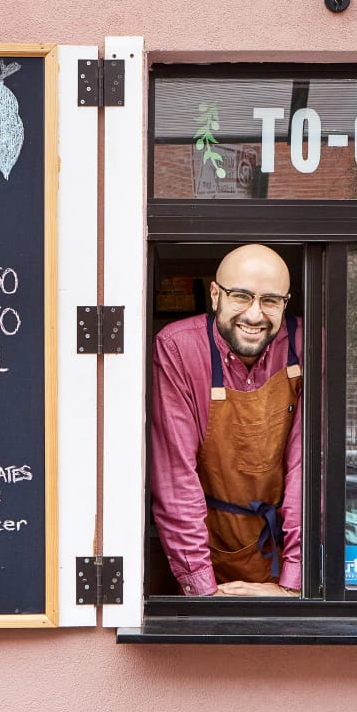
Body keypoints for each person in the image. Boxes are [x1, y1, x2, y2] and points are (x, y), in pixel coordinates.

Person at [149, 244, 301, 596]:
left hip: (283, 546)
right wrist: (203, 591)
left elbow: (306, 472)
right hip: (207, 546)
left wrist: (294, 584)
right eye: (241, 297)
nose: (254, 315)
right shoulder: (177, 348)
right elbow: (175, 478)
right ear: (215, 294)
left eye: (270, 301)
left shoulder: (306, 344)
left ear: (285, 303)